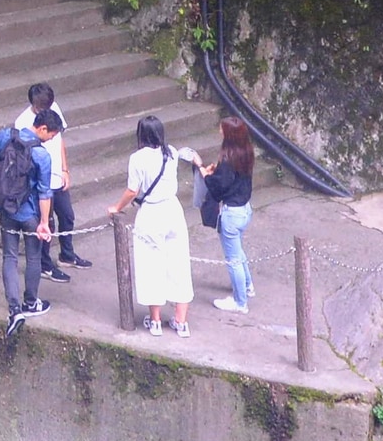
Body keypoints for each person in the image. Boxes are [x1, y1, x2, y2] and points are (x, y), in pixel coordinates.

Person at [0, 104, 63, 318]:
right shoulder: (42, 156)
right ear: (42, 128)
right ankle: (31, 303)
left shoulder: (5, 135)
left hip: (6, 208)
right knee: (33, 258)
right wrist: (44, 222)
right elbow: (44, 193)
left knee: (10, 256)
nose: (51, 139)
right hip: (30, 214)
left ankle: (14, 307)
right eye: (51, 134)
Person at [105, 113, 201, 336]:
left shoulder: (137, 159)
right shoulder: (171, 153)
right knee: (178, 264)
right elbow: (186, 153)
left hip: (150, 213)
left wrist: (117, 208)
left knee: (151, 265)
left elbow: (132, 191)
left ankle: (156, 320)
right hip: (173, 211)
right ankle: (181, 322)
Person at [14, 82, 84, 269]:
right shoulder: (22, 123)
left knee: (67, 215)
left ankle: (67, 255)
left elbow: (59, 139)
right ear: (35, 106)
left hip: (57, 176)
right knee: (46, 223)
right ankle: (45, 264)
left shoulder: (54, 108)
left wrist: (65, 169)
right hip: (41, 182)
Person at [205, 116, 258, 313]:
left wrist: (206, 175)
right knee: (238, 252)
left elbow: (218, 189)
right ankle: (247, 285)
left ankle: (240, 302)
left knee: (233, 259)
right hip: (244, 209)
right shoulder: (246, 152)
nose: (219, 130)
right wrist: (216, 171)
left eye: (222, 128)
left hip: (231, 214)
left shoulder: (228, 159)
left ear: (228, 134)